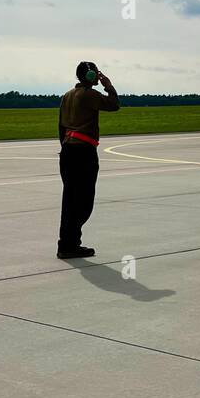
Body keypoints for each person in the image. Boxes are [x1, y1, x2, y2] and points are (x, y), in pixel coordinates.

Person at [56, 61, 119, 259]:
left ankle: (66, 244)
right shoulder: (89, 94)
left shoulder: (67, 96)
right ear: (91, 76)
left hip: (67, 150)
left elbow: (60, 126)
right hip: (83, 152)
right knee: (84, 201)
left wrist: (64, 147)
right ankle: (71, 244)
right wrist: (108, 85)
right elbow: (114, 105)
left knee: (69, 200)